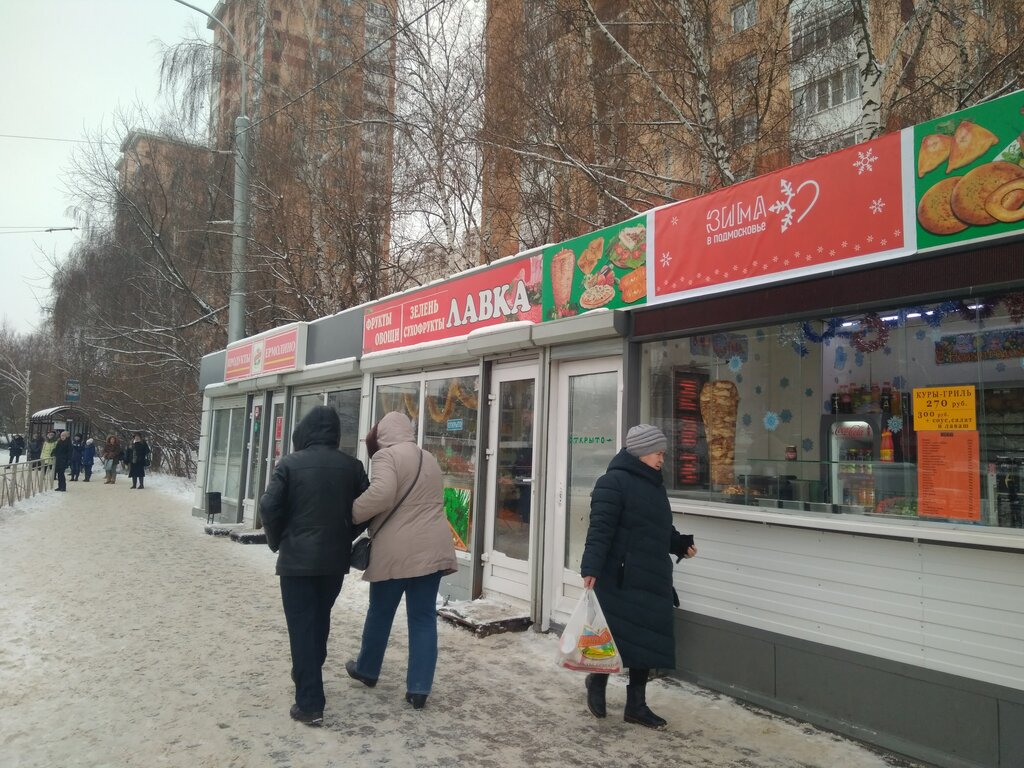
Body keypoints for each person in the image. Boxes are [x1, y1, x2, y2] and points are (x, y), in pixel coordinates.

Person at [580, 424, 697, 729]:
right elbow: (600, 530)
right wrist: (590, 568)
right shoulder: (612, 483)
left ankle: (637, 706)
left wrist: (680, 544)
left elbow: (657, 528)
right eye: (658, 453)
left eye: (662, 453)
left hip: (652, 574)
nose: (662, 459)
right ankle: (597, 682)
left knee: (646, 639)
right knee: (614, 636)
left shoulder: (655, 485)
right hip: (620, 575)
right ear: (643, 452)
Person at [259, 405, 369, 727]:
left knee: (302, 627)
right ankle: (307, 673)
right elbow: (367, 508)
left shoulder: (289, 464)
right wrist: (344, 533)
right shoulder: (352, 466)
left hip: (296, 562)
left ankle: (309, 703)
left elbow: (268, 505)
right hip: (333, 561)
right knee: (318, 621)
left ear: (303, 432)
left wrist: (277, 539)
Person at [346, 411, 457, 711]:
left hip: (396, 550)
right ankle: (419, 689)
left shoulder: (386, 457)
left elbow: (381, 495)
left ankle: (367, 670)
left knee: (380, 612)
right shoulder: (428, 458)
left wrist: (351, 513)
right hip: (432, 549)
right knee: (423, 619)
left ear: (382, 434)